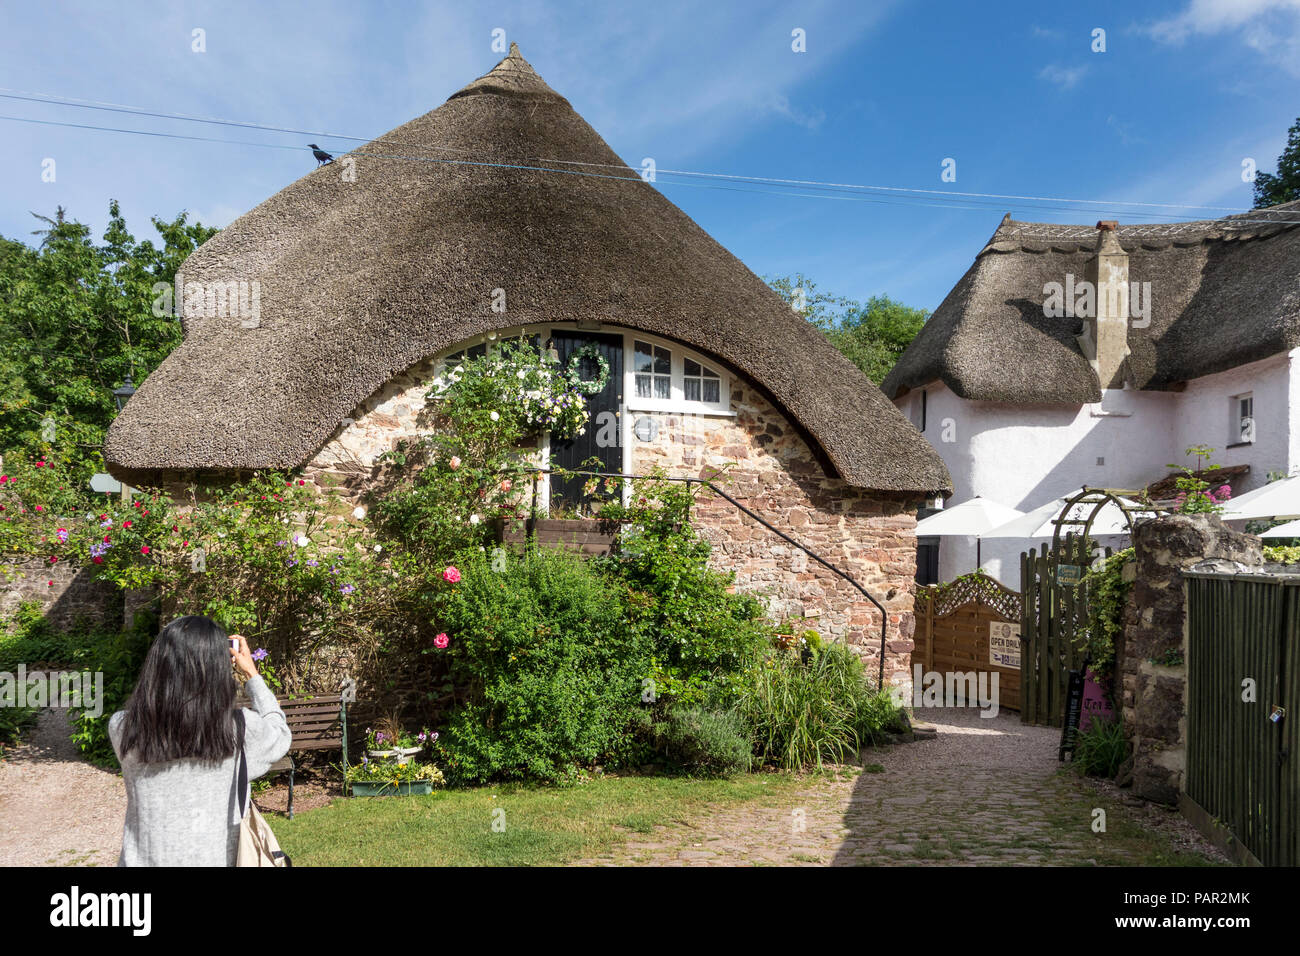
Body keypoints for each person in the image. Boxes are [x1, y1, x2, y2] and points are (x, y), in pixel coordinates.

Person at [108, 615, 292, 866]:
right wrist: (251, 674)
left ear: (158, 665)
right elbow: (280, 734)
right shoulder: (239, 729)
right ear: (218, 667)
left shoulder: (122, 727)